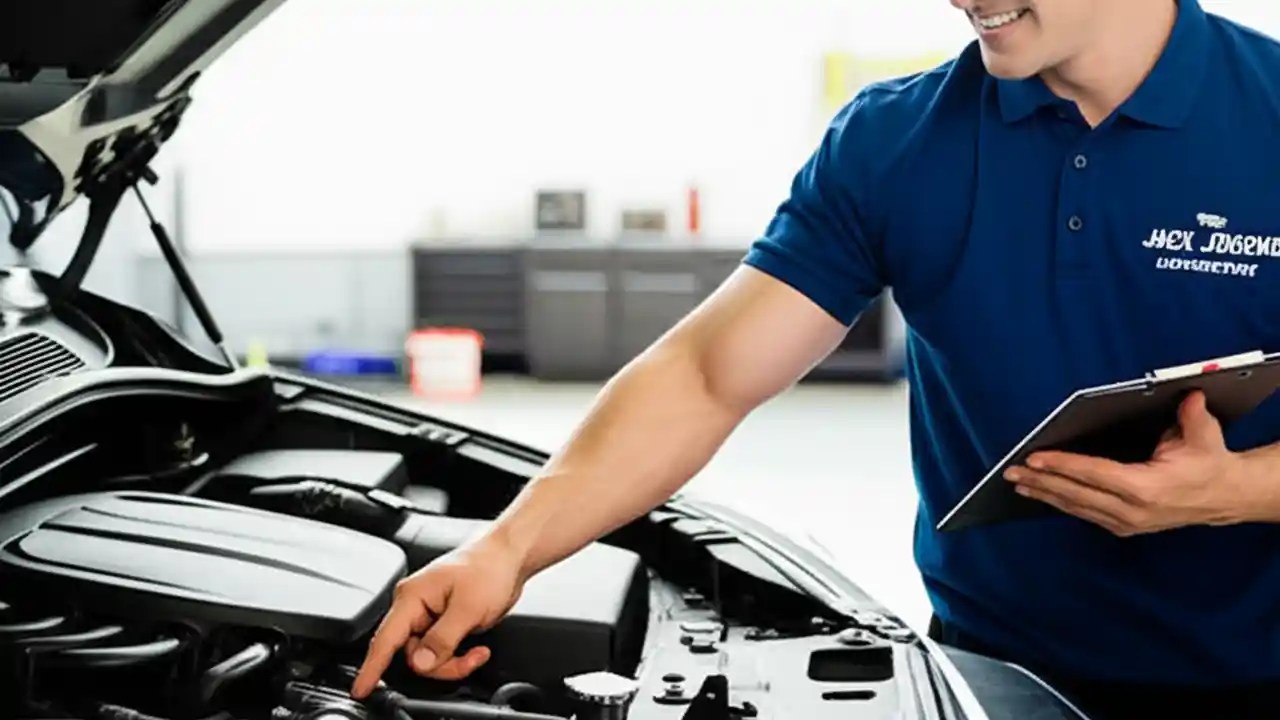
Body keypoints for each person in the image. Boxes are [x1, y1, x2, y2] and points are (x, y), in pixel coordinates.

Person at [352, 1, 1280, 717]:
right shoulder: (894, 144)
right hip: (984, 674)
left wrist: (1232, 491)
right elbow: (706, 375)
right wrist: (507, 550)